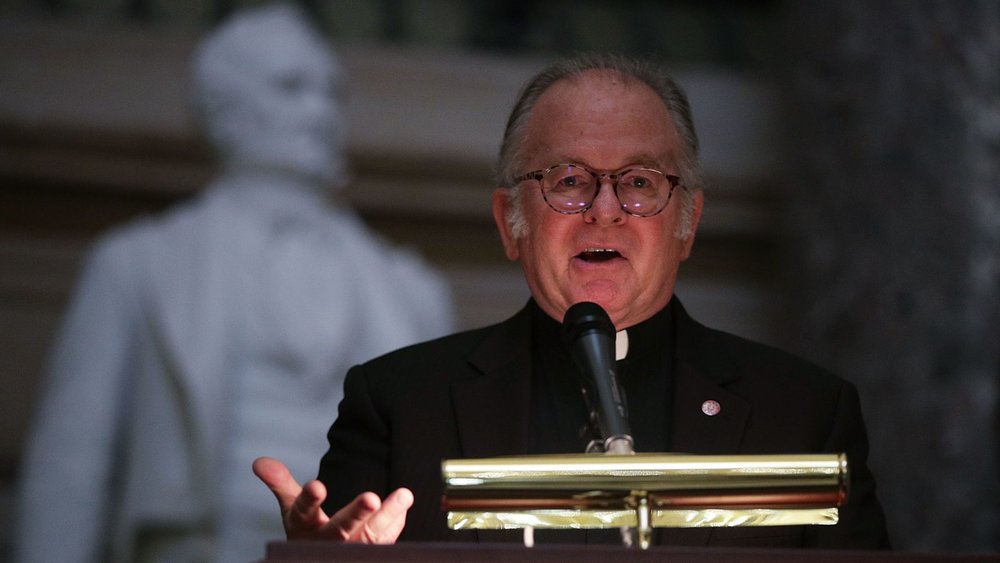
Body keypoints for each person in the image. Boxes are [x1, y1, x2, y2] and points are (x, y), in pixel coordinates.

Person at [253, 53, 891, 549]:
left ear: (688, 224)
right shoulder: (399, 406)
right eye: (568, 181)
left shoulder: (804, 415)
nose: (605, 211)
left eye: (640, 182)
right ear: (510, 223)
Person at [14, 3, 453, 563]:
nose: (320, 111)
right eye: (291, 87)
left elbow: (439, 481)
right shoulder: (137, 265)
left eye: (331, 93)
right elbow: (72, 466)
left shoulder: (409, 290)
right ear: (224, 109)